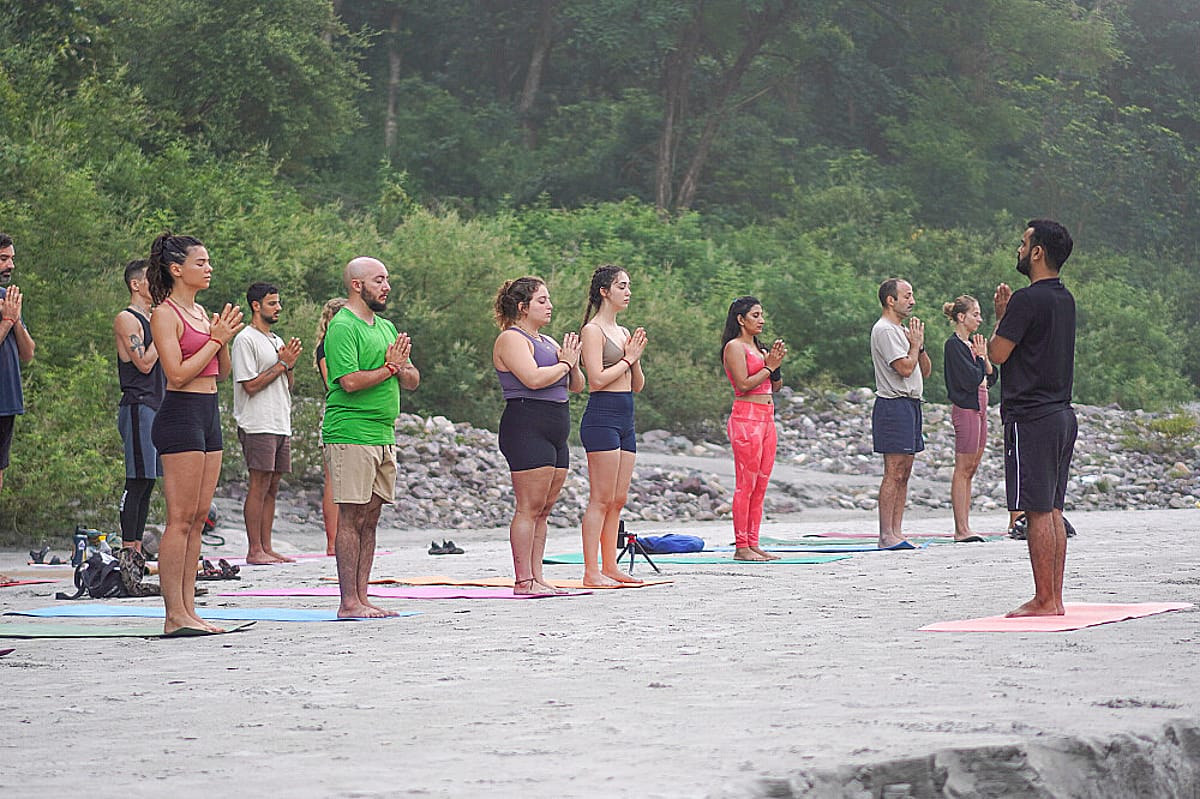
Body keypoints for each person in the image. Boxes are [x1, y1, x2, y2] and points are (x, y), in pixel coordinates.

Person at [147, 232, 243, 635]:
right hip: (180, 413)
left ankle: (189, 608)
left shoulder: (203, 313)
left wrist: (223, 340)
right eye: (200, 263)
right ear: (176, 269)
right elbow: (177, 372)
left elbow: (221, 370)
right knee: (180, 519)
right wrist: (215, 340)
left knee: (200, 517)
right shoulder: (164, 314)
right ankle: (173, 615)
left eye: (208, 262)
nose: (208, 269)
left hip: (208, 410)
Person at [988, 220, 1076, 617]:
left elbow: (997, 354)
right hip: (1061, 413)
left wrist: (1003, 317)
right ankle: (1053, 596)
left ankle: (1044, 599)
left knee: (1037, 509)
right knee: (1053, 508)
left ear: (1037, 251)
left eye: (1024, 243)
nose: (1019, 249)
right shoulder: (1064, 298)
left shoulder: (1026, 300)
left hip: (1032, 415)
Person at [323, 258, 418, 618]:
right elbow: (348, 381)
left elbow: (411, 379)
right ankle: (348, 602)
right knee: (350, 515)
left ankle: (363, 597)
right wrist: (391, 367)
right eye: (379, 280)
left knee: (371, 516)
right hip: (351, 431)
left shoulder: (387, 327)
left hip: (383, 433)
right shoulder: (343, 326)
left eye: (387, 279)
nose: (387, 286)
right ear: (357, 285)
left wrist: (402, 367)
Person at [492, 277, 584, 594]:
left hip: (556, 425)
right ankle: (523, 580)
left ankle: (537, 575)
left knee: (544, 509)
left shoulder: (547, 340)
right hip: (526, 423)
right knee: (528, 507)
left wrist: (571, 363)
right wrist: (564, 364)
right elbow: (532, 378)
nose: (550, 306)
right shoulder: (511, 339)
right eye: (542, 300)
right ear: (523, 307)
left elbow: (577, 385)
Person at [578, 265, 646, 586]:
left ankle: (610, 566)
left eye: (628, 286)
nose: (628, 291)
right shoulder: (593, 331)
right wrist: (628, 358)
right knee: (601, 498)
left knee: (618, 499)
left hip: (626, 416)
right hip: (602, 416)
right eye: (621, 286)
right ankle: (591, 570)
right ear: (605, 292)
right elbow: (596, 380)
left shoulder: (623, 331)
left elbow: (637, 385)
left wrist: (636, 356)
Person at [231, 282, 303, 565]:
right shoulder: (245, 339)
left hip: (279, 420)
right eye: (272, 303)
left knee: (273, 485)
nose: (279, 308)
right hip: (257, 421)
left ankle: (267, 546)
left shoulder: (275, 339)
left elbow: (288, 384)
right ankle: (254, 550)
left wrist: (290, 366)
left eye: (278, 302)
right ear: (256, 305)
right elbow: (249, 385)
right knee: (258, 483)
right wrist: (281, 365)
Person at [721, 296, 786, 562]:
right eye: (755, 315)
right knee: (745, 483)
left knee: (761, 482)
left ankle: (753, 541)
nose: (761, 320)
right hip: (746, 419)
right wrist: (769, 366)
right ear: (741, 319)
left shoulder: (760, 349)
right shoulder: (734, 347)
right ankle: (741, 545)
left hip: (766, 417)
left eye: (761, 315)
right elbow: (744, 383)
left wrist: (775, 368)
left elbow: (775, 386)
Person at [871, 278, 932, 549]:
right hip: (893, 405)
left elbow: (924, 370)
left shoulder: (902, 331)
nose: (912, 301)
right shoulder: (884, 330)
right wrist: (914, 346)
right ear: (890, 300)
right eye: (907, 295)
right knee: (893, 471)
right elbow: (904, 368)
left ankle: (897, 530)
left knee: (905, 472)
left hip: (911, 404)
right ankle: (886, 534)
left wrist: (920, 345)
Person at [113, 259, 165, 553]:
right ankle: (127, 549)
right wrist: (161, 332)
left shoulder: (152, 318)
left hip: (156, 405)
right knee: (136, 479)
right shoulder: (127, 319)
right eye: (151, 279)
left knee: (148, 481)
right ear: (136, 284)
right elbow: (144, 363)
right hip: (137, 405)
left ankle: (135, 550)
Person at [942, 295, 997, 542]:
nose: (980, 319)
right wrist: (980, 360)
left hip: (981, 404)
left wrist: (983, 358)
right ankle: (960, 528)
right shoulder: (954, 346)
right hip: (966, 406)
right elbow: (971, 378)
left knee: (972, 466)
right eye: (975, 314)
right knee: (963, 467)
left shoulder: (973, 346)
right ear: (961, 317)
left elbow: (992, 376)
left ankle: (966, 524)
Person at [0, 232, 36, 494]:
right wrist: (6, 322)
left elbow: (28, 353)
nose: (10, 265)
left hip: (6, 399)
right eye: (3, 259)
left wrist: (15, 320)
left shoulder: (6, 297)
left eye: (11, 259)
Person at [314, 297, 348, 556]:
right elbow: (330, 382)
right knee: (333, 480)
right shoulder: (326, 347)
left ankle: (343, 539)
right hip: (336, 413)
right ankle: (331, 541)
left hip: (354, 417)